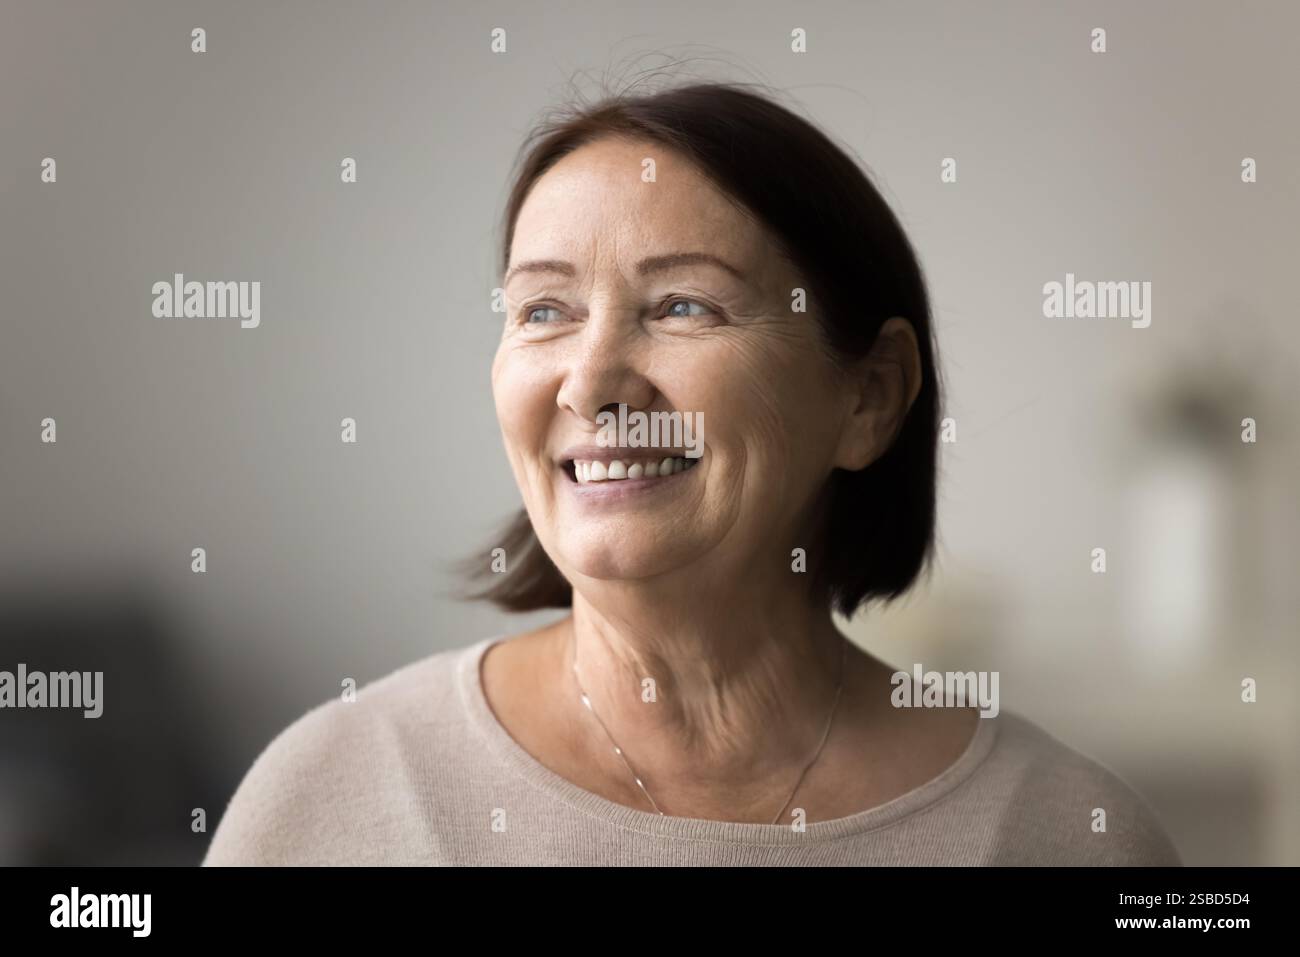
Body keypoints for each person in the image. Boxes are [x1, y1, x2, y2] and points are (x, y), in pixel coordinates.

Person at [204, 81, 1181, 866]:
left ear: (868, 396)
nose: (590, 380)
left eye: (682, 307)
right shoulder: (334, 793)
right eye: (543, 310)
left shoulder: (1061, 833)